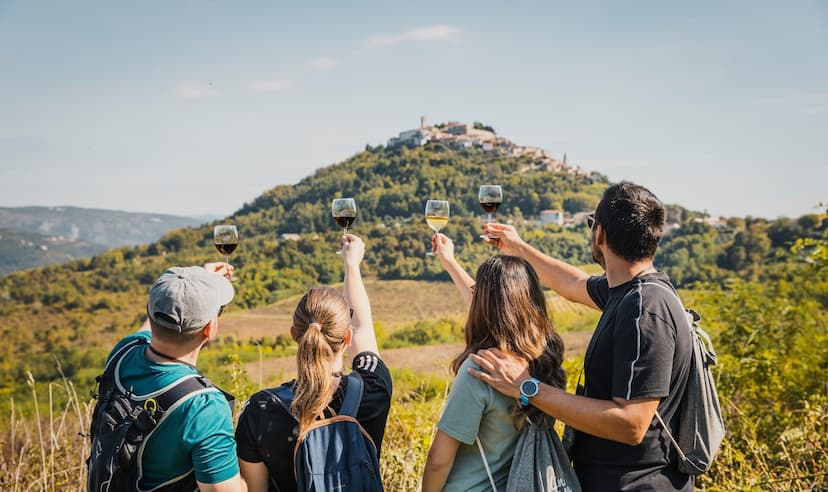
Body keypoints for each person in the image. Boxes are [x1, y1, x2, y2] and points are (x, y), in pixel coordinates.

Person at [470, 182, 694, 491]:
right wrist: (517, 248)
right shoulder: (631, 292)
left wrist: (526, 386)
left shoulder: (644, 310)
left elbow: (631, 423)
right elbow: (572, 282)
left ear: (599, 233)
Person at [235, 234, 392, 492]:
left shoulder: (260, 410)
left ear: (294, 335)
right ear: (347, 337)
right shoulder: (373, 389)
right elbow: (364, 327)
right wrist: (351, 264)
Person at [421, 236, 566, 492]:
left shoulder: (480, 368)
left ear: (482, 305)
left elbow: (438, 461)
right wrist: (449, 261)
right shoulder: (545, 361)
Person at [99, 262, 247, 491]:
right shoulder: (203, 407)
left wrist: (194, 282)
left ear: (149, 309)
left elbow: (150, 323)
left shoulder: (123, 352)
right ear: (211, 329)